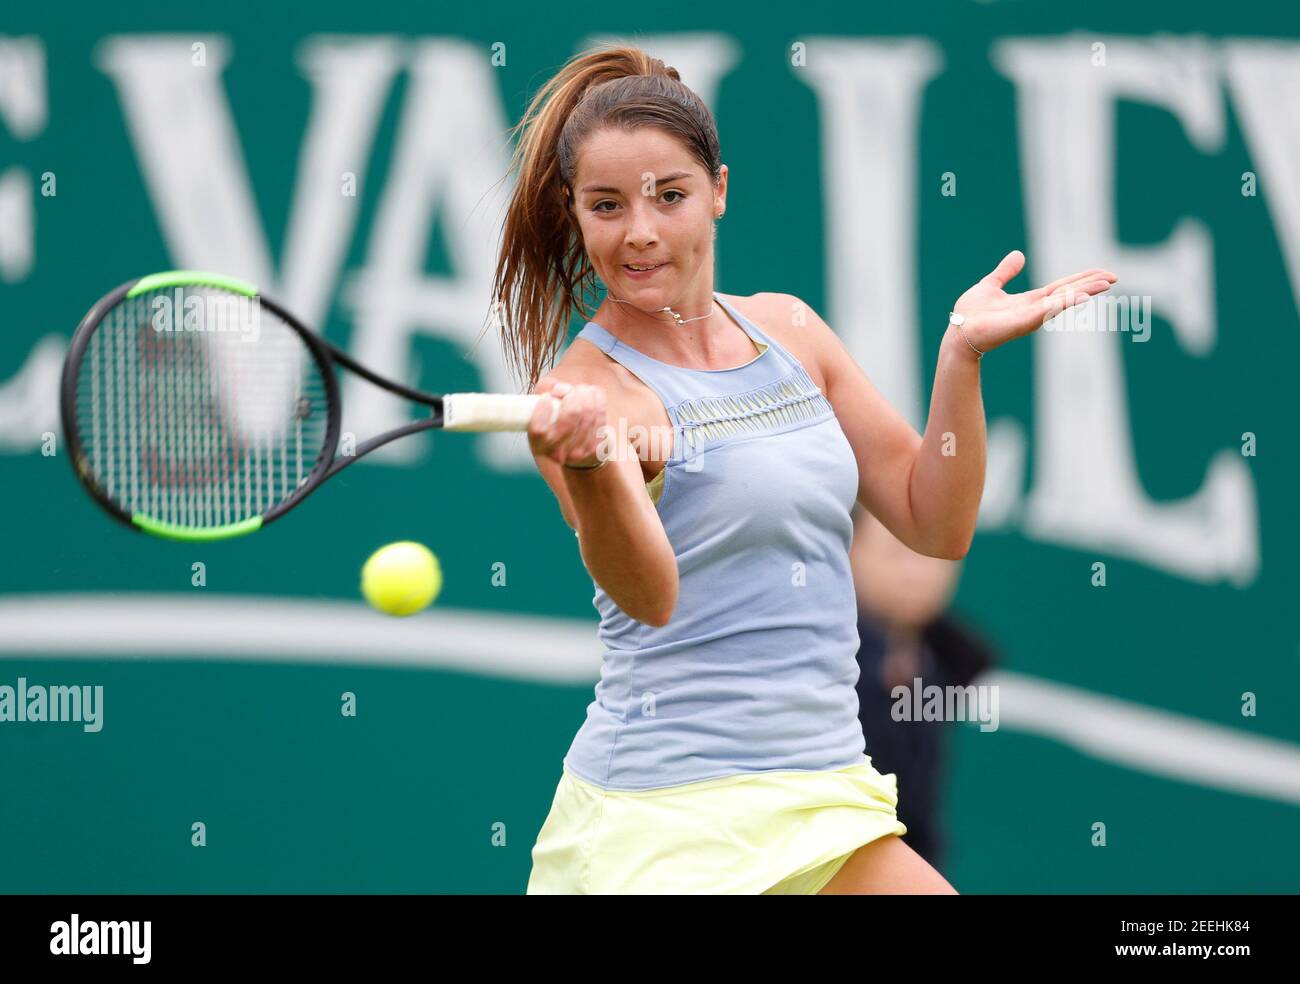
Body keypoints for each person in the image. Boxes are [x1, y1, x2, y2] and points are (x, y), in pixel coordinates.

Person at [491, 43, 1116, 894]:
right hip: (664, 820)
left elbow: (933, 518)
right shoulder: (586, 393)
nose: (638, 231)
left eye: (668, 196)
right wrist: (596, 468)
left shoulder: (791, 330)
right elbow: (648, 594)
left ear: (717, 189)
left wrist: (960, 357)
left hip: (822, 793)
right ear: (574, 212)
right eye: (606, 206)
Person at [850, 507, 999, 870]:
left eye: (934, 557)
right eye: (898, 552)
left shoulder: (946, 665)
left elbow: (919, 825)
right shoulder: (811, 659)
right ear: (847, 548)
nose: (918, 572)